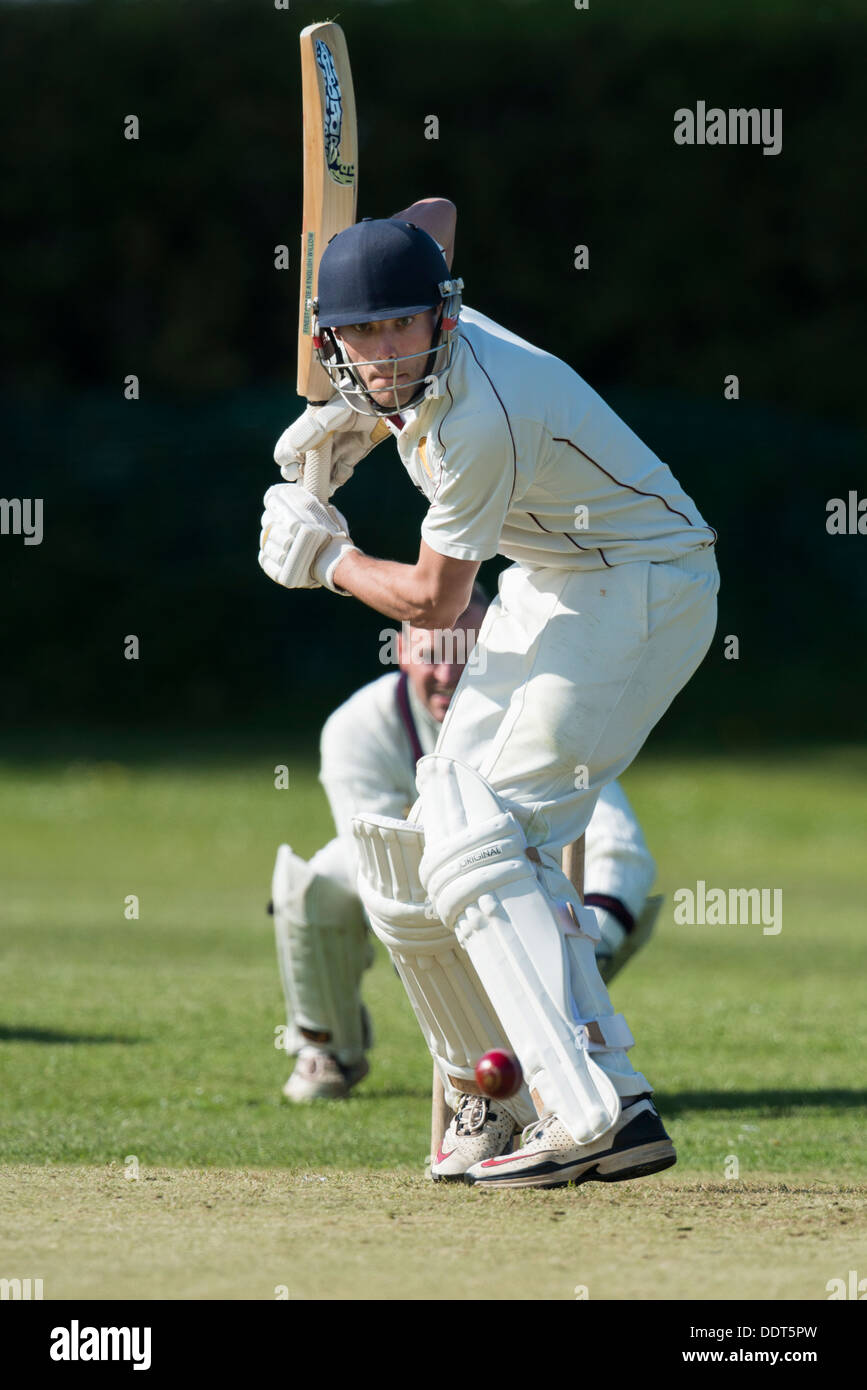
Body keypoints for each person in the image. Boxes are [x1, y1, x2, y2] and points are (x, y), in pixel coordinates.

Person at [258, 198, 718, 1188]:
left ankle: (591, 1109)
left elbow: (431, 600)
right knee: (424, 840)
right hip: (554, 578)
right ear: (330, 340)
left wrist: (327, 558)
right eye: (364, 332)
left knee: (483, 834)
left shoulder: (476, 418)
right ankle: (501, 1091)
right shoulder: (410, 347)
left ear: (445, 320)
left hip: (639, 581)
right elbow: (437, 214)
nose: (388, 351)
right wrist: (354, 416)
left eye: (403, 324)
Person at [273, 584, 661, 1103]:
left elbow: (618, 848)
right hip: (429, 899)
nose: (447, 673)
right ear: (402, 649)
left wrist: (583, 947)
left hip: (536, 901)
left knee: (606, 883)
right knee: (316, 880)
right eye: (431, 654)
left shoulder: (539, 716)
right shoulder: (357, 728)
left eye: (467, 654)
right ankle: (326, 1046)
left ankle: (568, 1026)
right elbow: (380, 863)